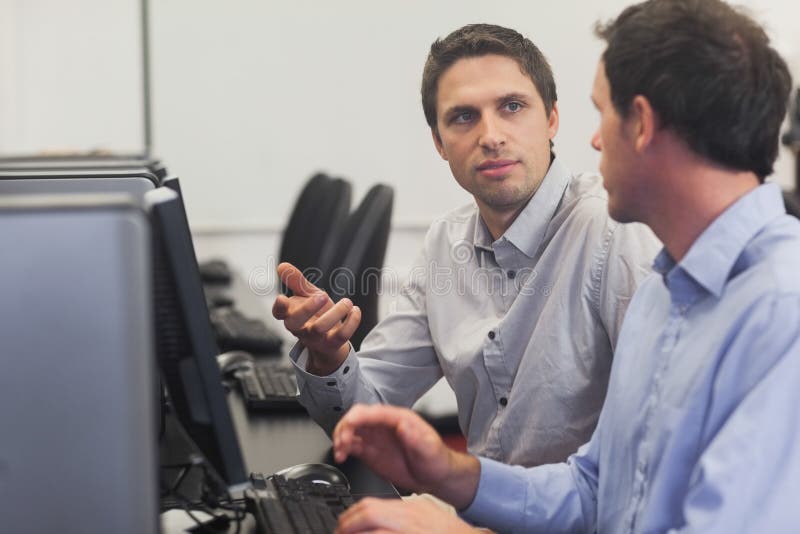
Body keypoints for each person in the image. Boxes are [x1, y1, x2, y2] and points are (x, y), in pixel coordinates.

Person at [330, 0, 799, 532]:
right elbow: (596, 492)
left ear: (640, 124)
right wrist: (454, 473)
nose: (595, 140)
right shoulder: (668, 286)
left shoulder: (783, 310)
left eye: (602, 113)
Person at [274, 24, 659, 468]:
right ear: (439, 142)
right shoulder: (446, 242)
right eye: (463, 117)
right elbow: (367, 411)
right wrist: (328, 356)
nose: (491, 136)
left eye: (512, 107)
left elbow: (653, 448)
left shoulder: (614, 231)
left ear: (552, 118)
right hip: (481, 508)